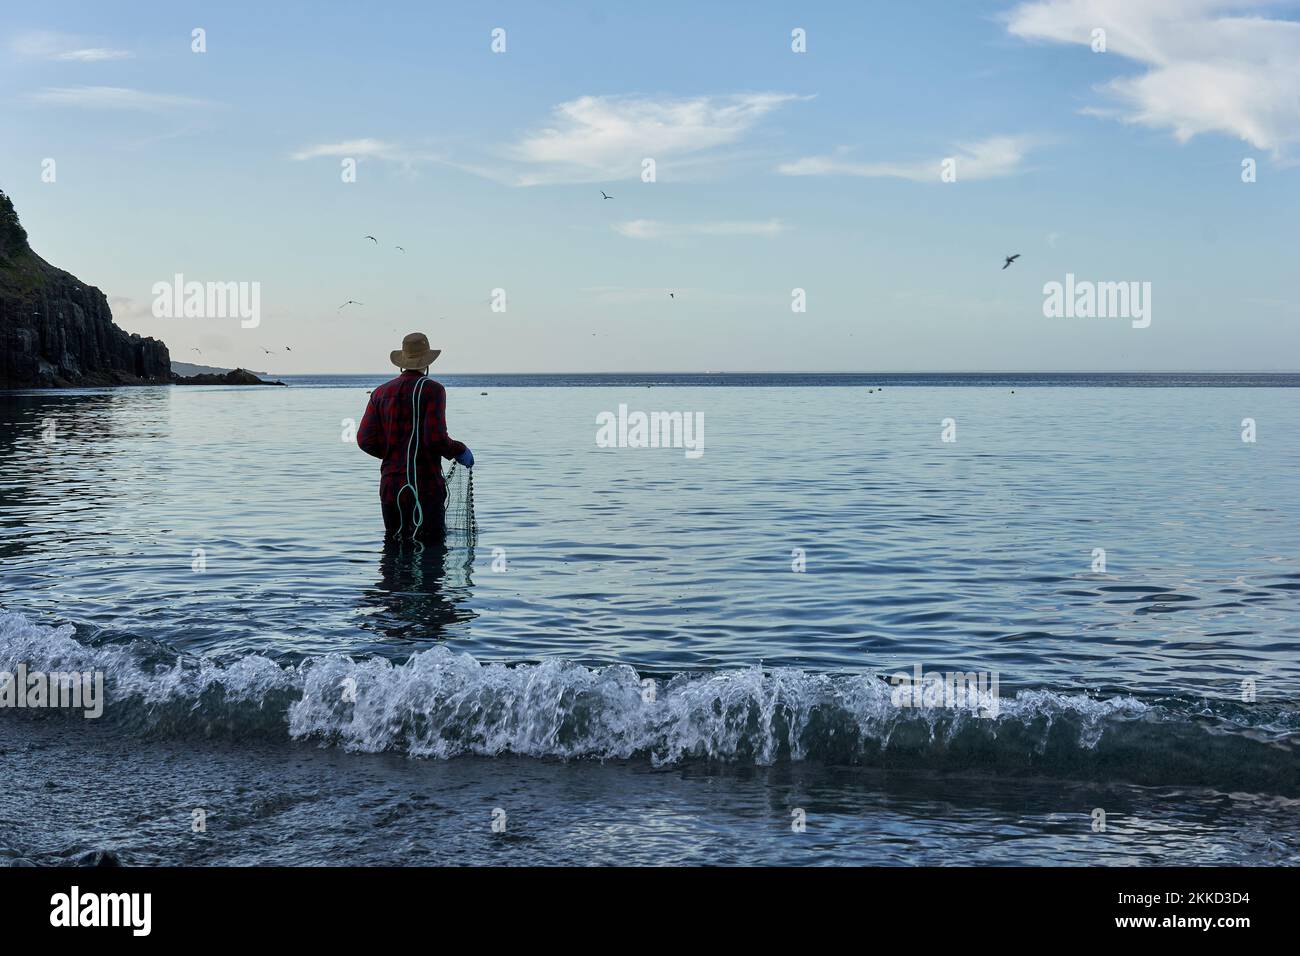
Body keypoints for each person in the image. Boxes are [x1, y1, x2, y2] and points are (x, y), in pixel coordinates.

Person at [357, 332, 473, 540]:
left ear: (402, 363)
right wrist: (460, 450)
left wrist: (394, 455)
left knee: (393, 552)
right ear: (427, 363)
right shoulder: (433, 390)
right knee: (430, 551)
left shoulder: (380, 393)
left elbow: (364, 440)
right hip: (425, 489)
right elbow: (436, 439)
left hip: (391, 489)